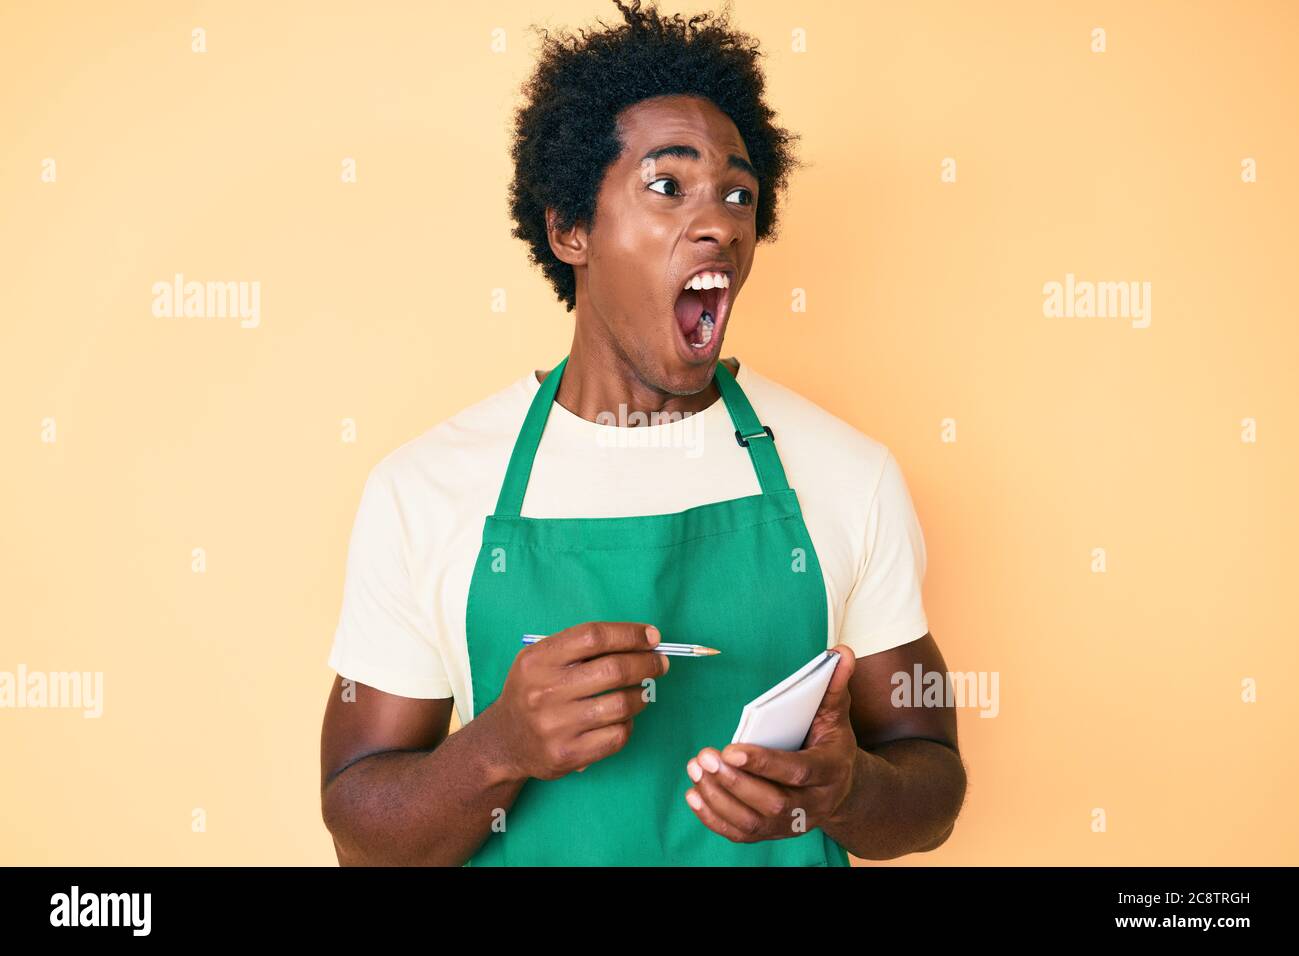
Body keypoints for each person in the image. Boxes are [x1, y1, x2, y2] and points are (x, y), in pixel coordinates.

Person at [320, 0, 966, 866]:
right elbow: (361, 833)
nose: (723, 223)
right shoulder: (426, 489)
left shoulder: (850, 474)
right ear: (570, 228)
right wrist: (499, 746)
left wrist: (846, 792)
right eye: (669, 186)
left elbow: (933, 791)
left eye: (740, 194)